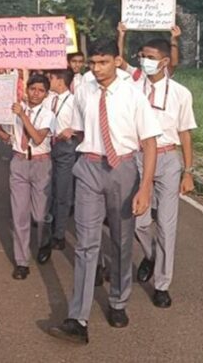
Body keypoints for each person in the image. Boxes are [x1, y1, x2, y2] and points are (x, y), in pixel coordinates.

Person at [48, 41, 160, 345]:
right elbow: (82, 130)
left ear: (117, 61)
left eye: (103, 62)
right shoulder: (84, 91)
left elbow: (149, 143)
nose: (96, 69)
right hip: (89, 167)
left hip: (122, 170)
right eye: (93, 63)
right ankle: (78, 318)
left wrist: (145, 187)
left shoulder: (134, 96)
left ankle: (118, 301)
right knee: (86, 244)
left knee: (121, 240)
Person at [133, 38, 196, 308]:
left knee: (167, 226)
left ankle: (162, 285)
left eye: (149, 56)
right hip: (137, 157)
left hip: (168, 158)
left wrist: (188, 171)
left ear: (164, 61)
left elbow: (185, 133)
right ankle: (151, 255)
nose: (143, 60)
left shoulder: (181, 93)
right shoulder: (132, 88)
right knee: (139, 221)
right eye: (142, 55)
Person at [2, 74, 55, 279]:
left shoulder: (47, 114)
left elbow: (37, 137)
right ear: (27, 90)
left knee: (40, 214)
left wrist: (23, 115)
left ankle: (44, 240)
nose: (36, 94)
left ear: (46, 94)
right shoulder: (15, 110)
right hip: (20, 161)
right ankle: (21, 261)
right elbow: (8, 136)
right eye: (33, 89)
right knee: (19, 213)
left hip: (41, 163)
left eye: (41, 91)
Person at [45, 68, 77, 252]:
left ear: (60, 81)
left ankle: (59, 233)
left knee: (63, 192)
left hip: (65, 147)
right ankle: (47, 227)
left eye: (52, 78)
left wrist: (71, 130)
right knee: (47, 190)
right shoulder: (47, 98)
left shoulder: (74, 101)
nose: (50, 81)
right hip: (47, 146)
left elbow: (83, 124)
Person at [117, 22, 181, 80]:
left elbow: (173, 63)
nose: (145, 60)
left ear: (165, 61)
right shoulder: (136, 74)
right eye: (143, 57)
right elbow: (120, 60)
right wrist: (121, 35)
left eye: (151, 58)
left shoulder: (165, 73)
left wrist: (174, 40)